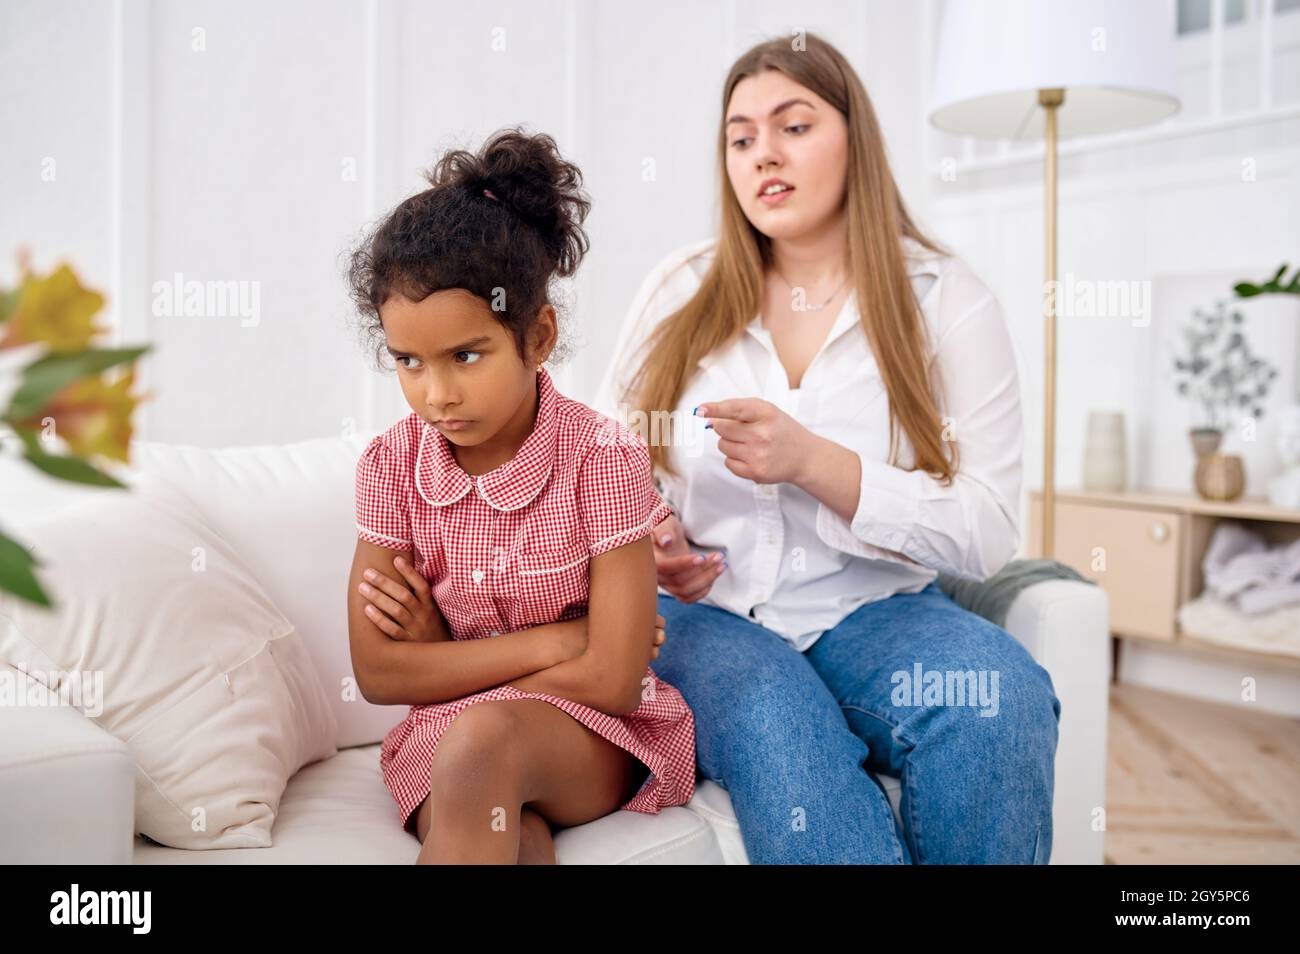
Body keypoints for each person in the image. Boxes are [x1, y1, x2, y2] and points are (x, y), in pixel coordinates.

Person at [595, 33, 1061, 864]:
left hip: (877, 611)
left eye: (793, 126)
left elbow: (988, 533)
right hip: (708, 618)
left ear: (856, 139)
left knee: (999, 699)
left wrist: (820, 465)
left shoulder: (947, 301)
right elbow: (602, 461)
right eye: (740, 139)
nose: (762, 155)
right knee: (781, 727)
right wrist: (650, 536)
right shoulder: (679, 289)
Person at [345, 128, 695, 865]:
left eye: (466, 356)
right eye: (408, 362)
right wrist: (553, 640)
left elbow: (613, 678)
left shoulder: (601, 458)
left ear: (537, 337)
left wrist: (442, 660)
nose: (435, 393)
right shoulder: (389, 467)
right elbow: (378, 672)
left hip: (587, 735)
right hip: (448, 741)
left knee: (478, 746)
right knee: (514, 839)